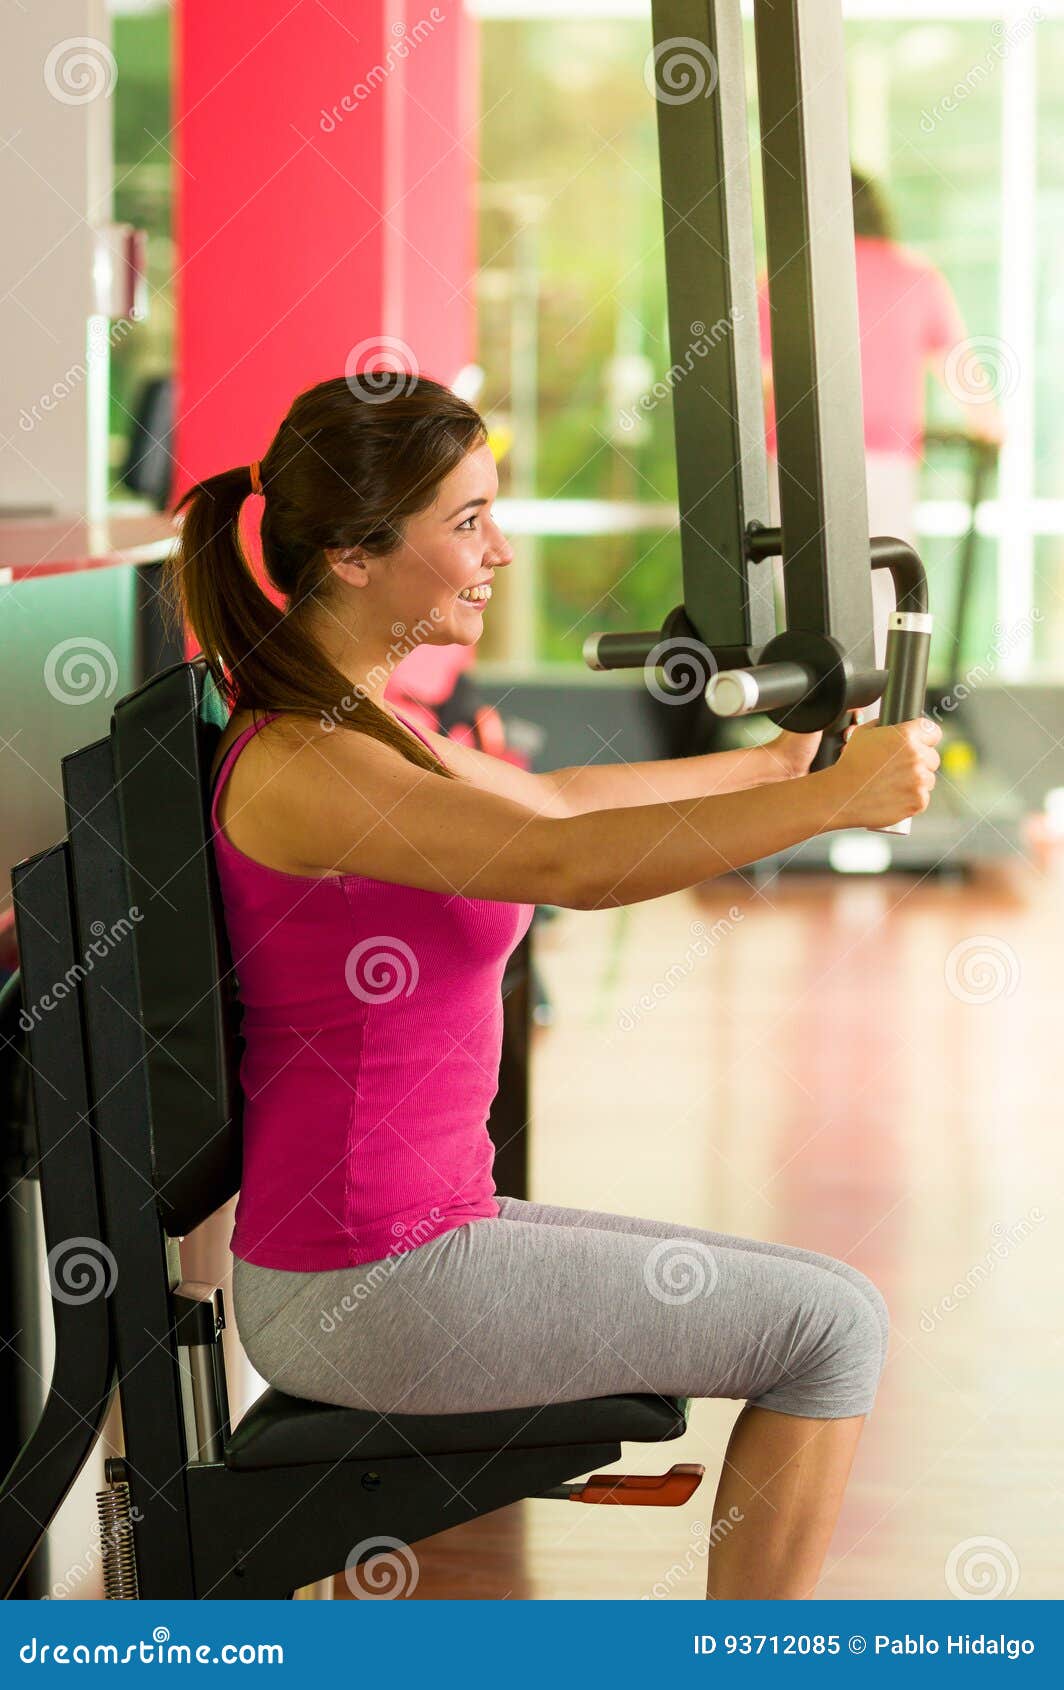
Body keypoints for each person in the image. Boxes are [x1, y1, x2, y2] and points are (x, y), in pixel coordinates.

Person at [164, 372, 940, 1600]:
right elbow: (563, 865)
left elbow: (558, 803)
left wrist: (774, 765)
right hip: (367, 1281)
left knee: (825, 1311)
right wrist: (831, 804)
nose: (500, 551)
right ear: (357, 555)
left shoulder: (358, 722)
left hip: (401, 1246)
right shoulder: (305, 762)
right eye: (465, 520)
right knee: (827, 1327)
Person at [759, 167, 1003, 666]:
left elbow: (761, 374)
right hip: (886, 458)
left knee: (801, 586)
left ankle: (818, 718)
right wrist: (990, 426)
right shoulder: (914, 275)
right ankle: (872, 717)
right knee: (884, 583)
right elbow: (959, 366)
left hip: (798, 455)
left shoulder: (785, 277)